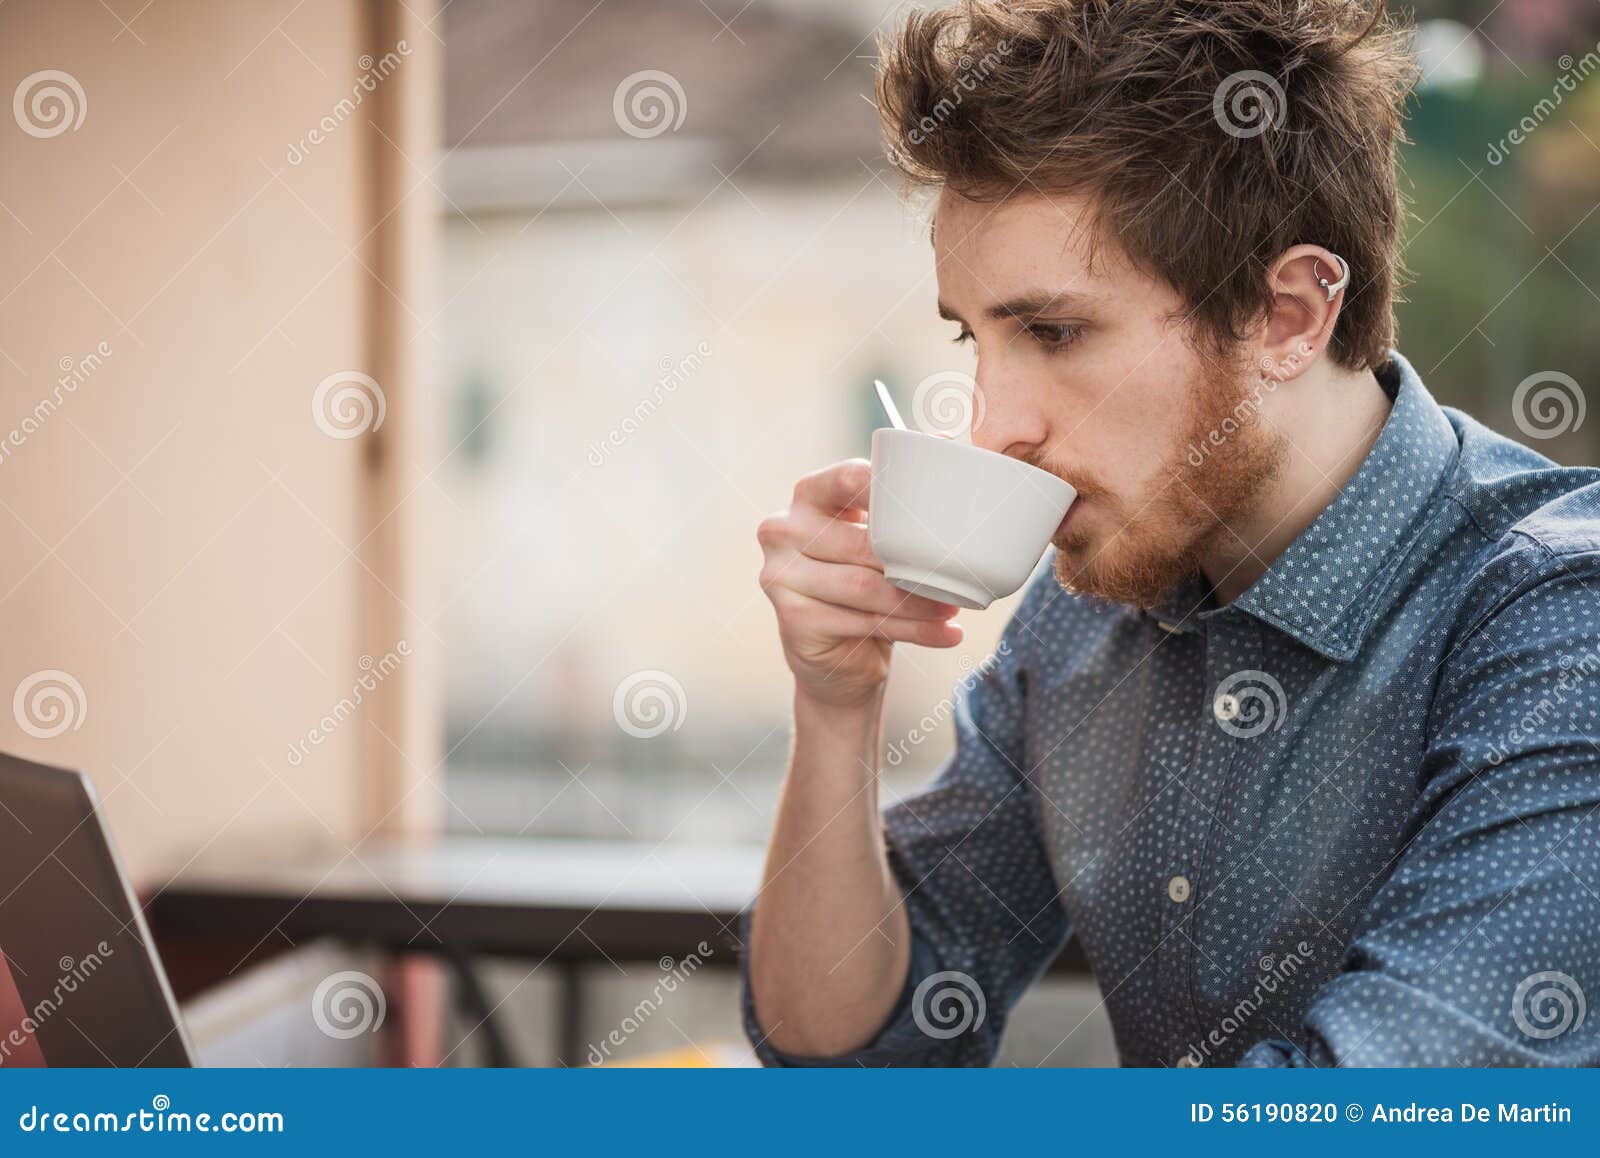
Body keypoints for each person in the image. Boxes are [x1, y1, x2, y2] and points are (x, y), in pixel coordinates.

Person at [743, 0, 1600, 1067]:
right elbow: (853, 1055)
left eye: (1052, 332)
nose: (991, 424)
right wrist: (835, 706)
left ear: (1288, 316)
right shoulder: (1079, 620)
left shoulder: (1562, 624)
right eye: (977, 339)